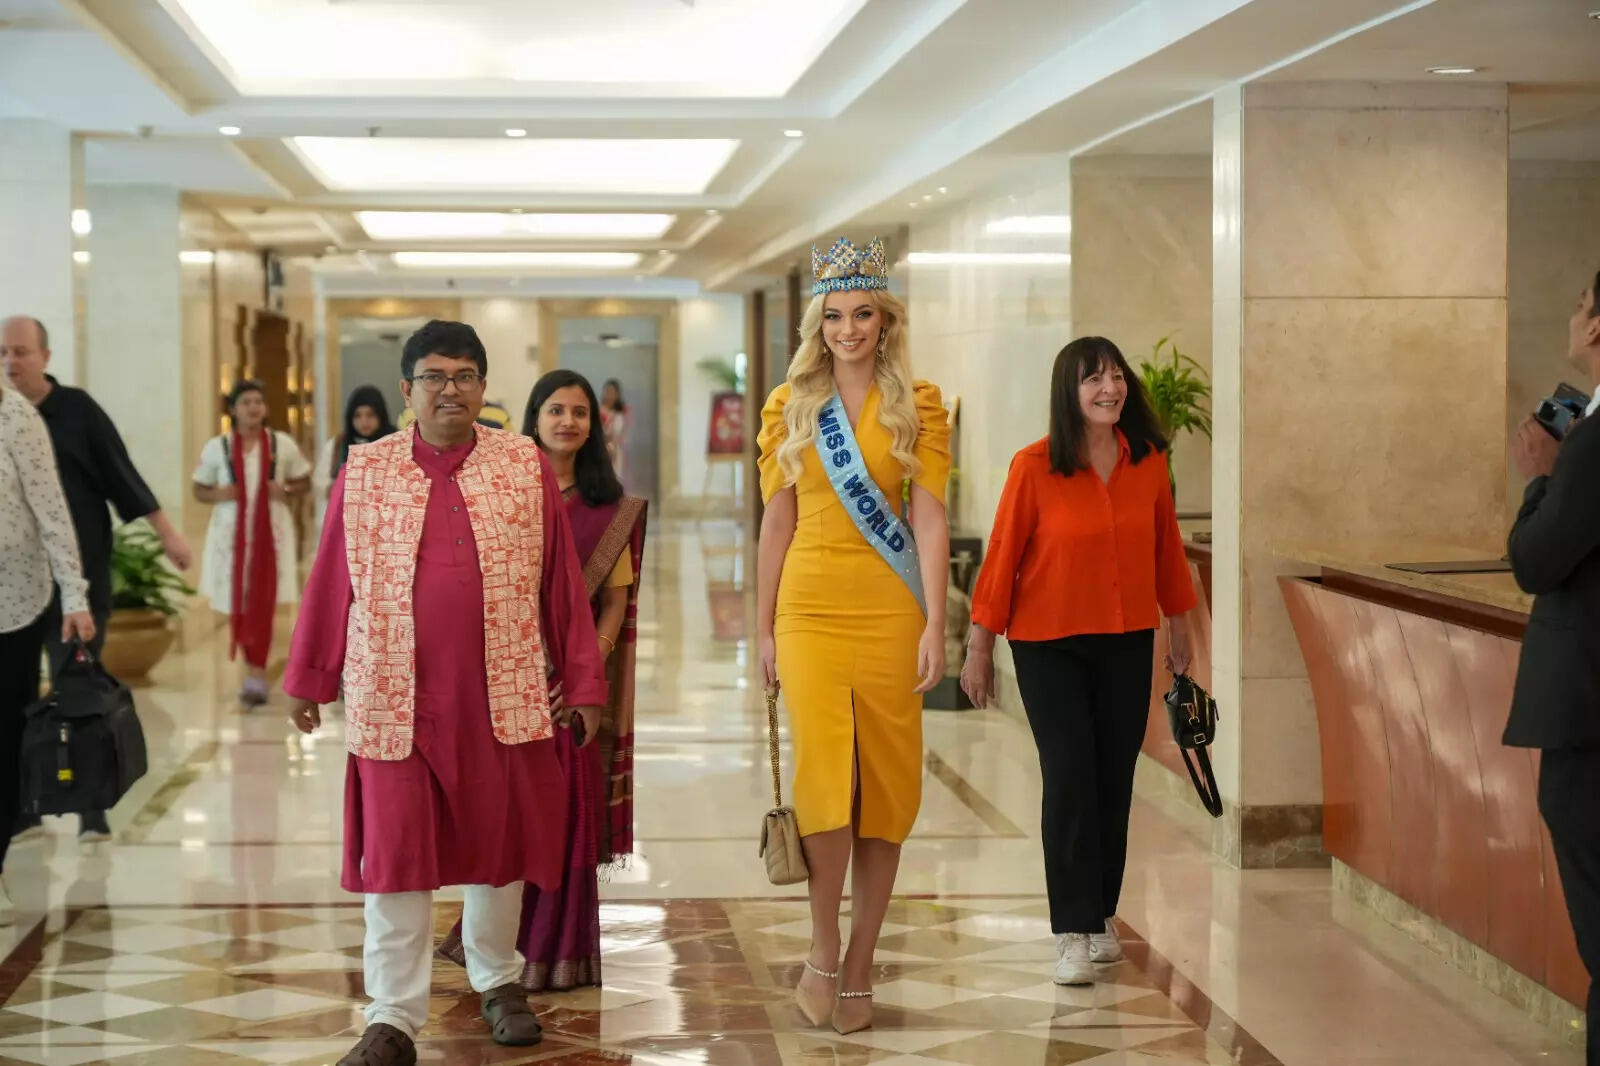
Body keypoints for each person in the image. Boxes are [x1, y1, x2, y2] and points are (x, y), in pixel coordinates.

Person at [284, 320, 608, 1066]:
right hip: (394, 696)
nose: (449, 390)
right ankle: (392, 1015)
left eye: (464, 376)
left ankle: (499, 980)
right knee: (396, 856)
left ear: (483, 388)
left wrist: (583, 680)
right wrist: (310, 676)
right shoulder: (366, 471)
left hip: (502, 691)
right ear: (408, 390)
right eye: (433, 376)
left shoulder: (521, 465)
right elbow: (332, 574)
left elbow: (560, 582)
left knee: (501, 848)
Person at [756, 236, 950, 1035]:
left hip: (890, 609)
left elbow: (929, 518)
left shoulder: (920, 404)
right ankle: (824, 946)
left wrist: (937, 619)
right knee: (825, 780)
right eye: (834, 316)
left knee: (886, 786)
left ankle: (864, 958)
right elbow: (776, 521)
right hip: (807, 608)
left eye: (862, 314)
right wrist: (763, 630)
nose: (848, 330)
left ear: (884, 320)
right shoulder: (790, 405)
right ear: (819, 323)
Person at [960, 336, 1198, 987]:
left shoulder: (1147, 460)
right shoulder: (1034, 466)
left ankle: (1099, 917)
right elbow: (1002, 556)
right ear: (1069, 392)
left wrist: (1180, 625)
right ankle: (1071, 928)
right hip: (1049, 644)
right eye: (1093, 379)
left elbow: (1166, 548)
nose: (1109, 389)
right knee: (1069, 775)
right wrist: (979, 645)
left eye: (1116, 377)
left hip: (1126, 638)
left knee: (1113, 778)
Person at [438, 368, 647, 992]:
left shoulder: (610, 509)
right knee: (506, 809)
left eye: (580, 412)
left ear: (594, 425)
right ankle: (493, 947)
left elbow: (614, 601)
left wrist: (585, 667)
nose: (567, 422)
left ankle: (555, 949)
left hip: (568, 688)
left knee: (564, 810)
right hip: (504, 673)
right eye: (555, 410)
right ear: (534, 418)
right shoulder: (502, 490)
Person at [1, 315, 193, 843]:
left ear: (45, 356)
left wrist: (168, 535)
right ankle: (24, 808)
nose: (11, 362)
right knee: (19, 698)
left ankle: (91, 805)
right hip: (18, 586)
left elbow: (120, 475)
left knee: (77, 690)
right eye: (4, 352)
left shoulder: (76, 411)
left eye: (21, 351)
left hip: (77, 579)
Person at [1505, 266, 1600, 1066]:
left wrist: (1542, 478)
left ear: (1596, 327)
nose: (1572, 317)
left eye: (1580, 304)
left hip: (1589, 714)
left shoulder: (1594, 442)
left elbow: (1537, 561)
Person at [0, 382, 96, 924]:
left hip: (12, 603)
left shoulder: (16, 417)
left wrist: (74, 595)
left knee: (4, 737)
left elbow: (52, 511)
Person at [192, 380, 311, 707]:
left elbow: (303, 481)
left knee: (263, 598)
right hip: (231, 535)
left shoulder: (281, 445)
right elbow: (199, 488)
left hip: (271, 534)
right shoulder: (217, 447)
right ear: (233, 409)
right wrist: (219, 493)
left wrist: (286, 490)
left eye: (258, 401)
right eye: (246, 402)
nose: (253, 408)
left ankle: (257, 671)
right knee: (241, 599)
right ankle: (253, 667)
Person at [314, 385, 397, 501]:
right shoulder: (338, 444)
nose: (364, 421)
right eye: (358, 416)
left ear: (381, 416)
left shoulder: (396, 443)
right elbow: (320, 483)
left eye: (370, 415)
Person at [599, 378, 629, 488]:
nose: (610, 395)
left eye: (613, 392)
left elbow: (623, 431)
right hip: (602, 449)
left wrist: (615, 444)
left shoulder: (621, 412)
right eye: (608, 392)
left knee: (617, 479)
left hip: (617, 450)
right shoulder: (599, 410)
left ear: (618, 394)